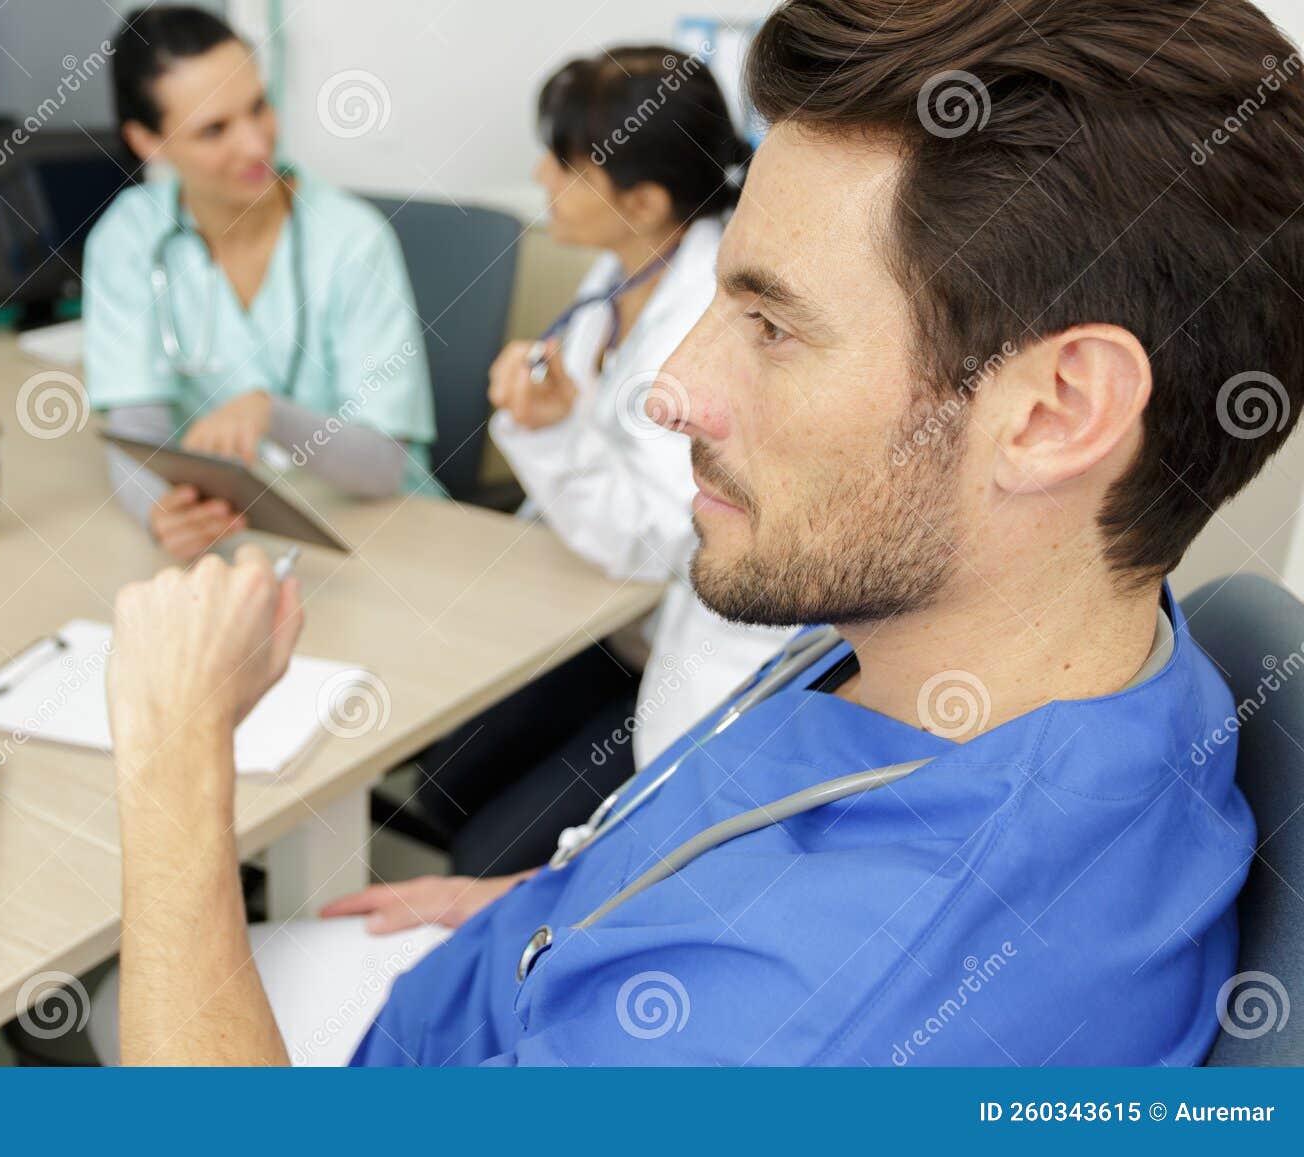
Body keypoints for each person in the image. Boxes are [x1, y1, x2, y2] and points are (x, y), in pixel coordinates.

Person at [98, 0, 1302, 1065]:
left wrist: (173, 763)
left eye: (773, 326)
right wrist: (555, 900)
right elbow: (738, 821)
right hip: (512, 958)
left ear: (1053, 412)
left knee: (117, 990)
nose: (670, 385)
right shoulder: (982, 644)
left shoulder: (801, 1022)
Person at [413, 47, 794, 877]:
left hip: (670, 653)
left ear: (646, 200)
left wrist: (549, 434)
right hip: (592, 622)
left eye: (563, 162)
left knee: (485, 854)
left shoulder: (711, 318)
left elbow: (658, 536)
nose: (539, 175)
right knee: (437, 786)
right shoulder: (622, 270)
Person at [83, 6, 438, 561]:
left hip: (380, 534)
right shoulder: (128, 238)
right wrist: (162, 515)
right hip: (239, 537)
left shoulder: (352, 238)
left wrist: (270, 414)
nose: (255, 146)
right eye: (214, 129)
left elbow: (381, 466)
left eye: (258, 106)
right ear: (147, 141)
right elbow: (137, 430)